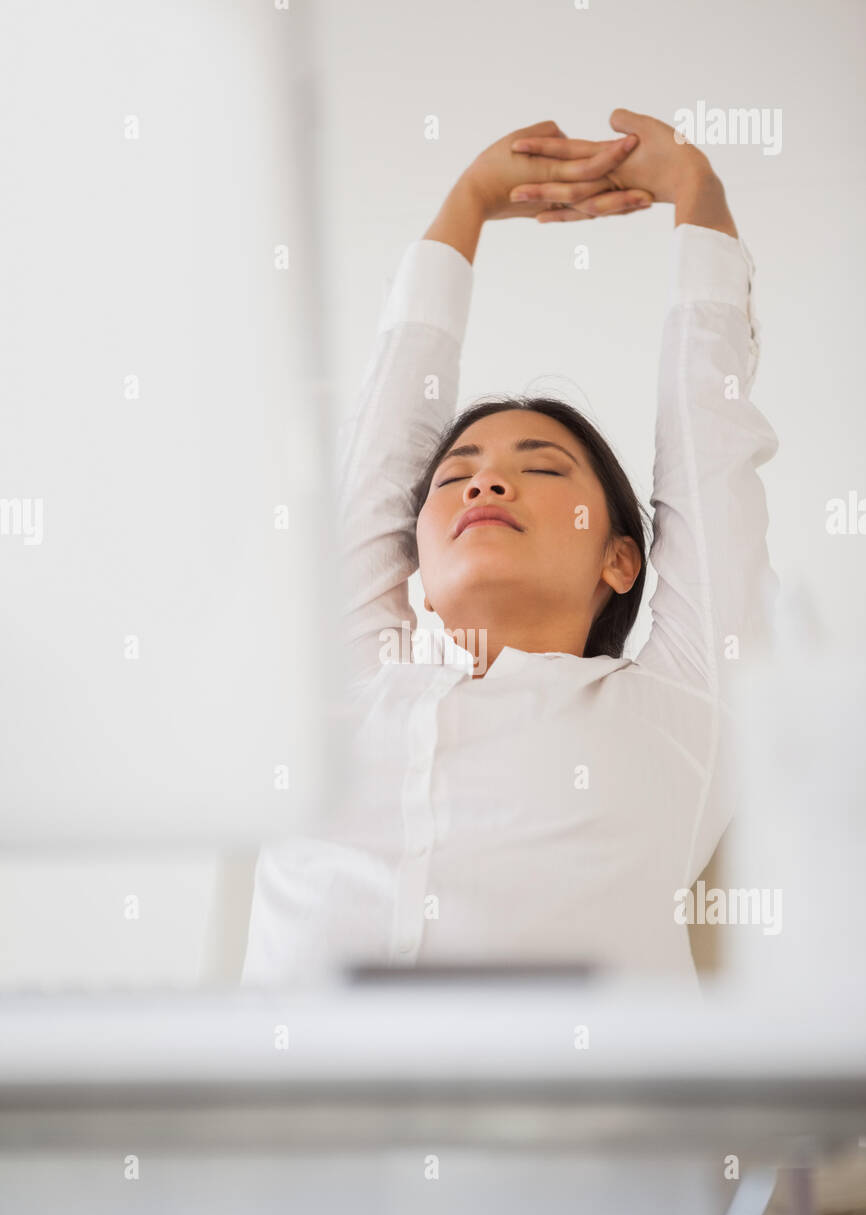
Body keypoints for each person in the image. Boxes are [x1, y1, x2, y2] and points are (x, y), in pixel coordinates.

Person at [241, 108, 778, 988]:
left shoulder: (680, 715)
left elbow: (709, 451)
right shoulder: (342, 696)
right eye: (456, 476)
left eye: (541, 468)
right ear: (413, 563)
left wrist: (697, 193)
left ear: (620, 558)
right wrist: (468, 204)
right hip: (284, 1081)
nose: (485, 485)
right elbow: (377, 463)